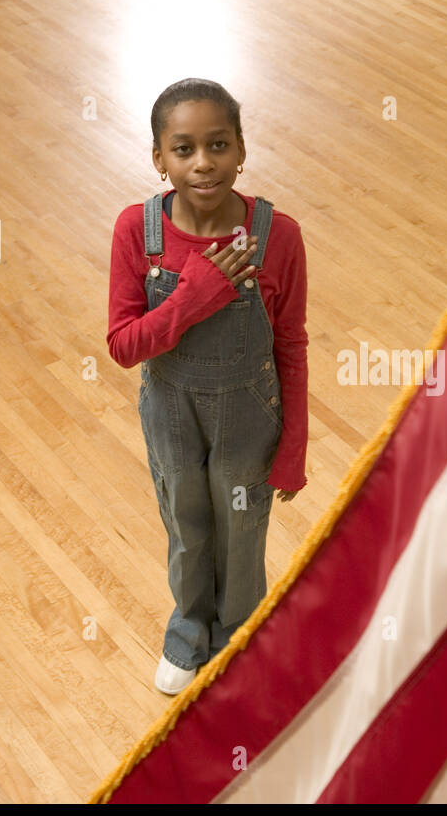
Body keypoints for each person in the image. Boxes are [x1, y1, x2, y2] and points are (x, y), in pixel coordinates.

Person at [106, 79, 308, 695]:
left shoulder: (279, 236)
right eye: (184, 148)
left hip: (249, 415)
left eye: (218, 144)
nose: (203, 163)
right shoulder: (136, 233)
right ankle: (189, 632)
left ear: (241, 149)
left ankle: (240, 640)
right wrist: (192, 299)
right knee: (186, 524)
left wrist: (294, 447)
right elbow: (123, 346)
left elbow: (291, 346)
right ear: (158, 158)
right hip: (169, 411)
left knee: (242, 531)